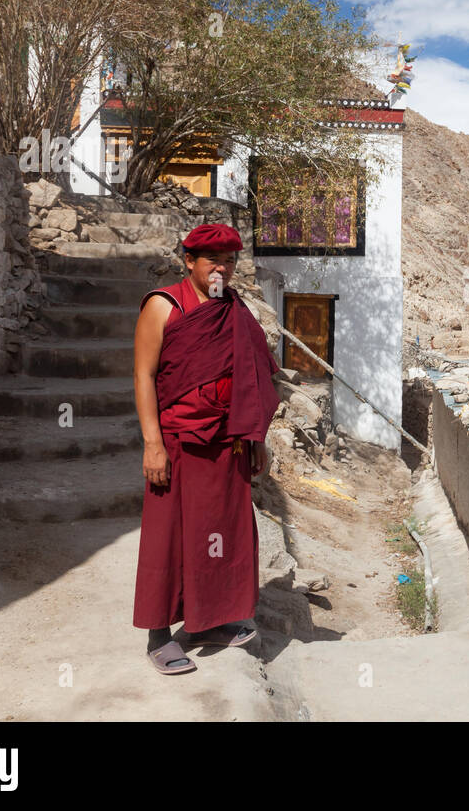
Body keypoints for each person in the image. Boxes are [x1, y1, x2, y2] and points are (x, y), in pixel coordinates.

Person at [132, 223, 280, 674]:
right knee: (170, 535)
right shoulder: (164, 305)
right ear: (189, 262)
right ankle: (160, 636)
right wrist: (152, 444)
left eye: (230, 260)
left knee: (221, 532)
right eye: (213, 259)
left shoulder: (233, 308)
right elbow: (143, 377)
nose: (223, 268)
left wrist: (256, 437)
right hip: (178, 441)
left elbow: (254, 377)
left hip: (227, 441)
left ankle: (210, 620)